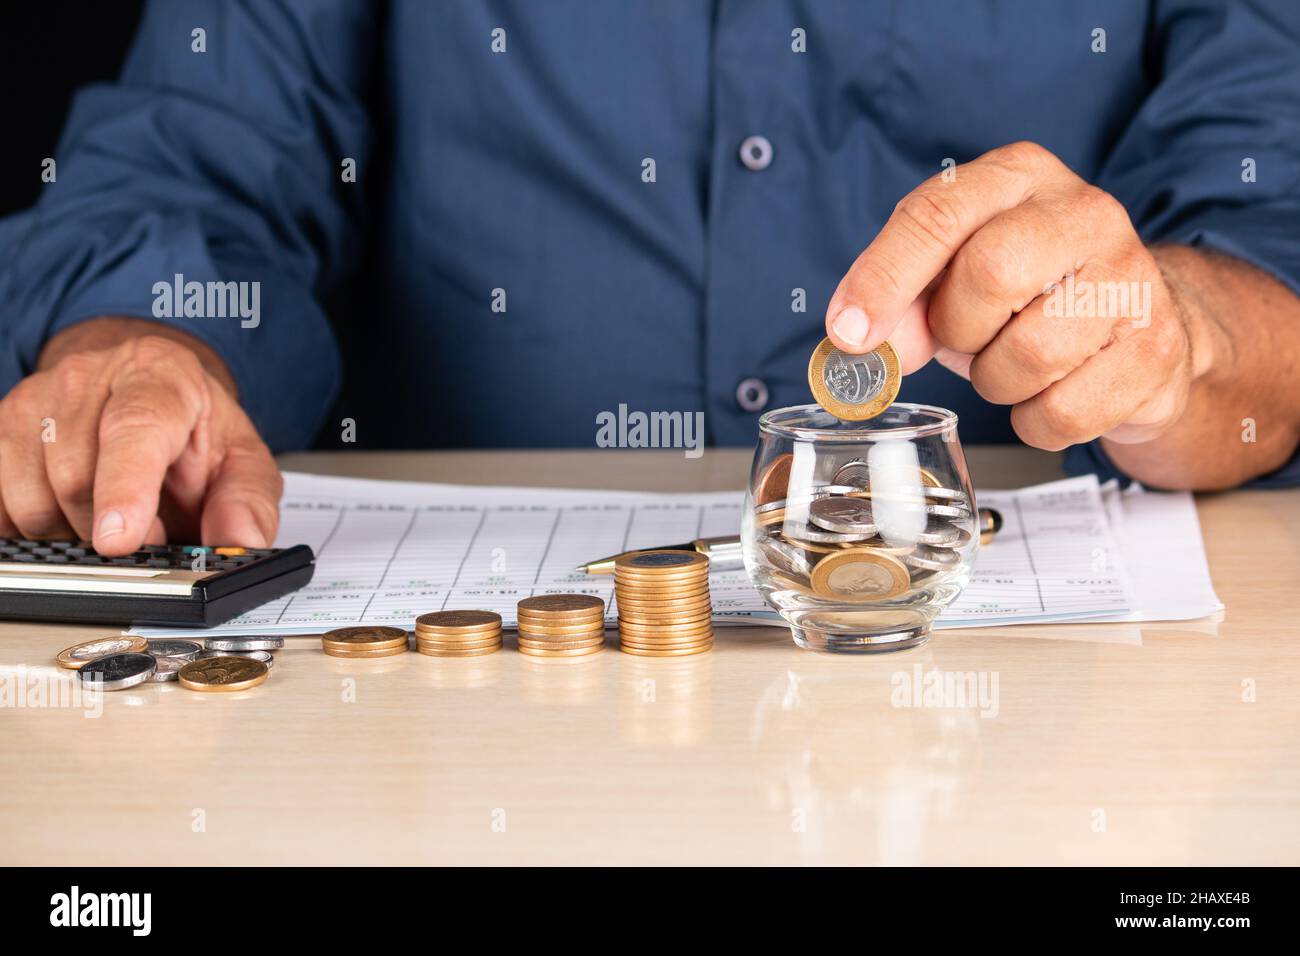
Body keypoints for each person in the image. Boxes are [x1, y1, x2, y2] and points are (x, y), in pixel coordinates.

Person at [0, 0, 1297, 559]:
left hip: (1064, 709)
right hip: (457, 724)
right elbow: (198, 147)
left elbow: (1275, 240)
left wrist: (1174, 344)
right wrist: (143, 349)